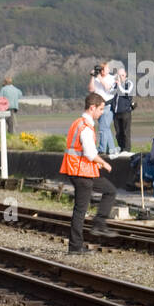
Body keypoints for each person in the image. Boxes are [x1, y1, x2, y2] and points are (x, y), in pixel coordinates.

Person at [60, 93, 116, 253]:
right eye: (100, 109)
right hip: (81, 173)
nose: (101, 112)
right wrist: (104, 163)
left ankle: (99, 224)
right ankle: (75, 246)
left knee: (110, 191)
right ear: (92, 108)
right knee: (80, 210)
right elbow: (90, 153)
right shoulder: (85, 127)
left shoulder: (78, 123)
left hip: (81, 171)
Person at [91, 63, 118, 155]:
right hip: (98, 106)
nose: (107, 70)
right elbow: (91, 89)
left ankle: (101, 149)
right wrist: (92, 77)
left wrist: (99, 77)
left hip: (107, 105)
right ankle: (112, 149)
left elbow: (108, 88)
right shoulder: (96, 78)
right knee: (106, 128)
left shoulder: (111, 78)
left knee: (102, 128)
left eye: (106, 69)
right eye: (105, 69)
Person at [111, 66, 135, 153]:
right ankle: (121, 149)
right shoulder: (115, 84)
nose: (120, 77)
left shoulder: (129, 83)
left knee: (126, 132)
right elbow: (110, 93)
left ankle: (127, 150)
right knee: (118, 133)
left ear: (125, 75)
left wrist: (119, 85)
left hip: (125, 112)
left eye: (122, 75)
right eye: (119, 75)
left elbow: (126, 93)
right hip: (116, 112)